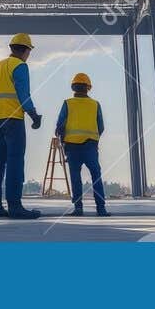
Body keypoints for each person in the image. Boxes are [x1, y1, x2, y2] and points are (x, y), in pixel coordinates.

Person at [0, 32, 42, 219]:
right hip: (13, 120)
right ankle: (15, 207)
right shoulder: (20, 66)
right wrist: (33, 115)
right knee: (15, 161)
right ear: (25, 50)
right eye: (29, 51)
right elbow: (23, 93)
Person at [54, 72, 109, 217]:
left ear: (73, 87)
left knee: (75, 177)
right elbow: (101, 127)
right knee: (96, 175)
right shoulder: (95, 104)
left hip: (72, 147)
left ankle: (78, 208)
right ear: (88, 88)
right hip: (90, 146)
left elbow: (59, 126)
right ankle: (101, 209)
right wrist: (93, 138)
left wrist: (63, 140)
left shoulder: (68, 103)